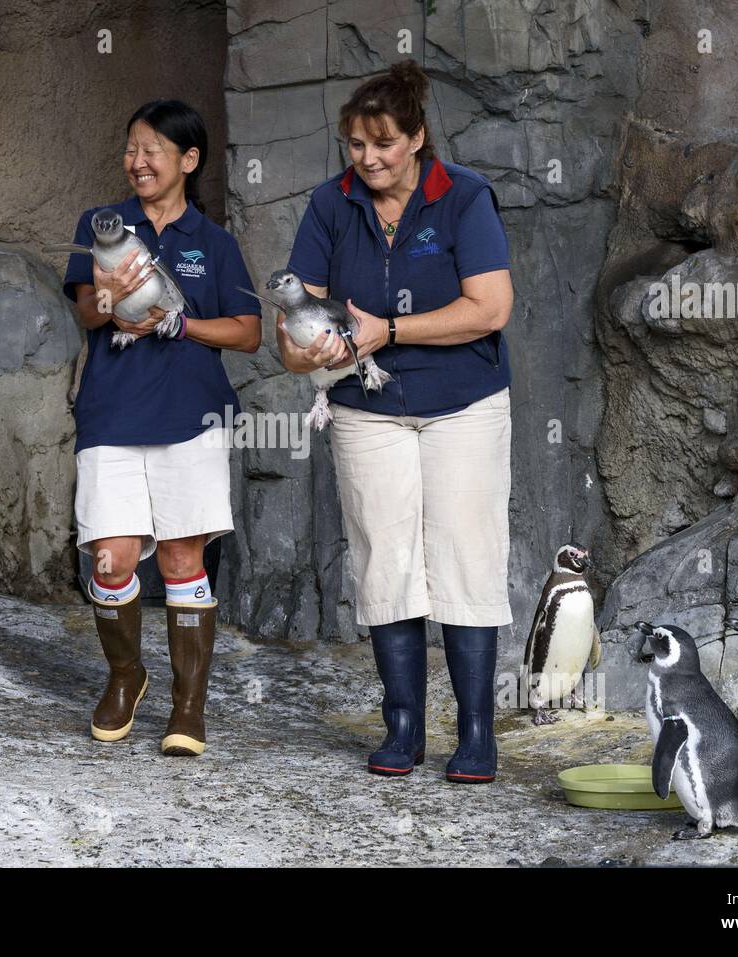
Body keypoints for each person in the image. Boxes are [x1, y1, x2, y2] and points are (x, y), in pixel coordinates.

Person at [277, 61, 515, 783]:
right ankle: (403, 724)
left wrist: (390, 330)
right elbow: (294, 323)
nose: (368, 158)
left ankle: (475, 732)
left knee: (467, 553)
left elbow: (490, 308)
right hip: (364, 406)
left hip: (463, 403)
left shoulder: (463, 196)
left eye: (382, 143)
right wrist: (303, 350)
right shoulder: (330, 204)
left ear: (416, 137)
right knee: (386, 555)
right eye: (355, 144)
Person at [61, 100, 260, 757]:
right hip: (112, 410)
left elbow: (249, 332)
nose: (137, 162)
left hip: (189, 413)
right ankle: (126, 674)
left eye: (151, 150)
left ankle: (188, 704)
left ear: (188, 160)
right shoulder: (101, 224)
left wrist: (181, 323)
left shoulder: (214, 243)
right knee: (112, 558)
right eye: (130, 149)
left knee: (182, 558)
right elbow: (87, 313)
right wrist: (112, 298)